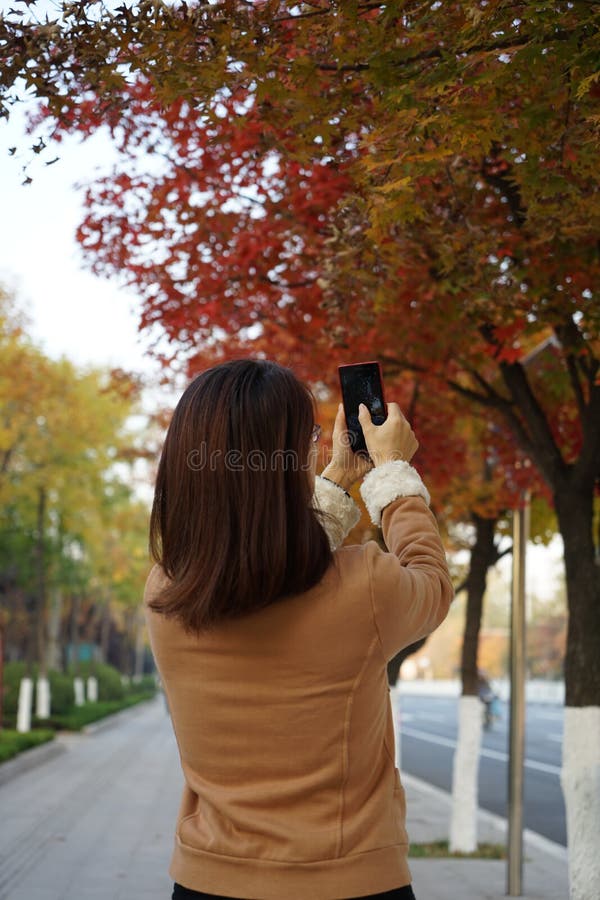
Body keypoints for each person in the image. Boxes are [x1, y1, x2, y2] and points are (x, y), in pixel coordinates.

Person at [143, 359, 454, 900]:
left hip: (205, 883)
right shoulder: (365, 587)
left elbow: (267, 568)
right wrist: (390, 470)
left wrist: (336, 479)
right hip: (350, 884)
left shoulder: (167, 594)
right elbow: (430, 579)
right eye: (307, 438)